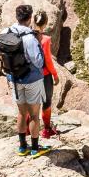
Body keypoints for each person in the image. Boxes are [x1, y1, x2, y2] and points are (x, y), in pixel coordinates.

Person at [0, 4, 47, 154]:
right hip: (32, 80)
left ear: (16, 16)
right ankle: (34, 149)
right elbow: (39, 62)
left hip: (14, 78)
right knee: (34, 115)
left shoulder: (5, 32)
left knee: (21, 113)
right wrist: (39, 43)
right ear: (30, 18)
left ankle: (21, 147)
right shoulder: (30, 38)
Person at [29, 8, 60, 141]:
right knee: (46, 103)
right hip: (44, 75)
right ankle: (46, 130)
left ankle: (27, 131)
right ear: (46, 23)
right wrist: (55, 75)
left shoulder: (27, 37)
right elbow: (48, 60)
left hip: (29, 75)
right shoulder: (45, 39)